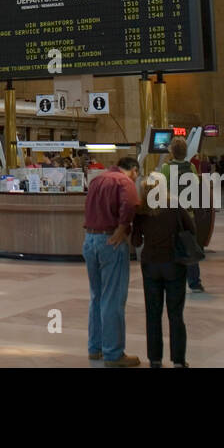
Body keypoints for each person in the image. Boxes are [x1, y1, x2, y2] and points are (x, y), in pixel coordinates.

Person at [82, 154, 139, 367]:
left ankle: (94, 348)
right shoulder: (124, 181)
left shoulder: (97, 179)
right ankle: (114, 353)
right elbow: (131, 204)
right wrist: (123, 228)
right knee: (113, 298)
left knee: (96, 296)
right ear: (133, 170)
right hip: (110, 242)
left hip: (89, 239)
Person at [132, 177, 195, 368]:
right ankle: (178, 360)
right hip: (173, 264)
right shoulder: (174, 208)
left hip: (150, 265)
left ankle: (155, 359)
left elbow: (136, 242)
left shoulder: (141, 212)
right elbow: (191, 229)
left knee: (153, 313)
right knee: (176, 314)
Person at [158, 137, 205, 293]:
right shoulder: (191, 167)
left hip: (171, 213)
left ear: (171, 151)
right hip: (188, 213)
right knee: (189, 246)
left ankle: (172, 280)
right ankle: (195, 282)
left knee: (170, 248)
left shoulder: (165, 168)